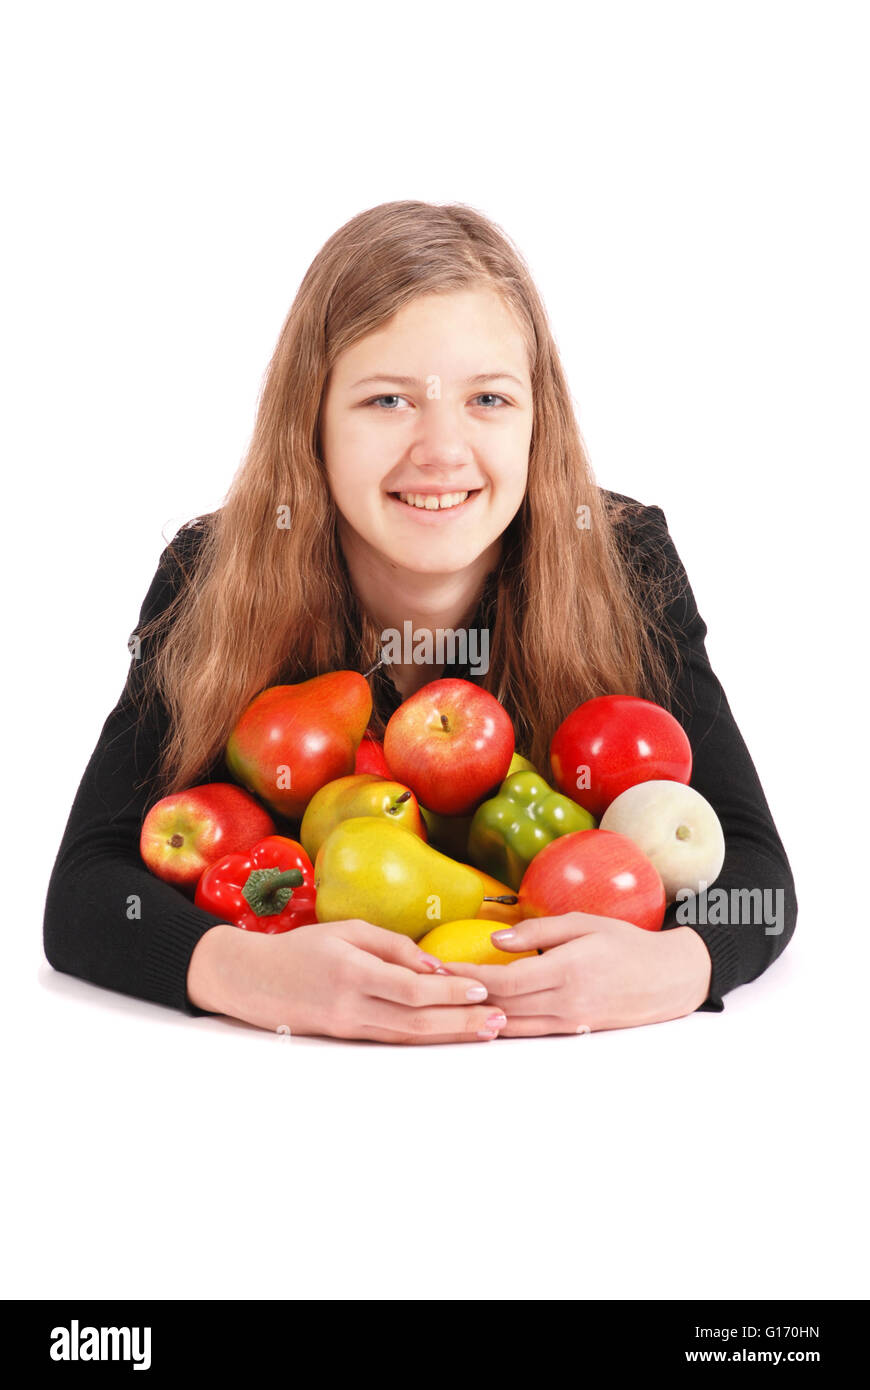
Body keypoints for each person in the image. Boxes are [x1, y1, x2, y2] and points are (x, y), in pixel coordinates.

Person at [42, 199, 797, 1043]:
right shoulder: (211, 574)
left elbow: (755, 868)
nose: (442, 450)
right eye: (389, 400)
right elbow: (84, 890)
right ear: (313, 423)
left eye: (489, 399)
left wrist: (677, 967)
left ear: (537, 422)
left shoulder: (627, 562)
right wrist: (246, 974)